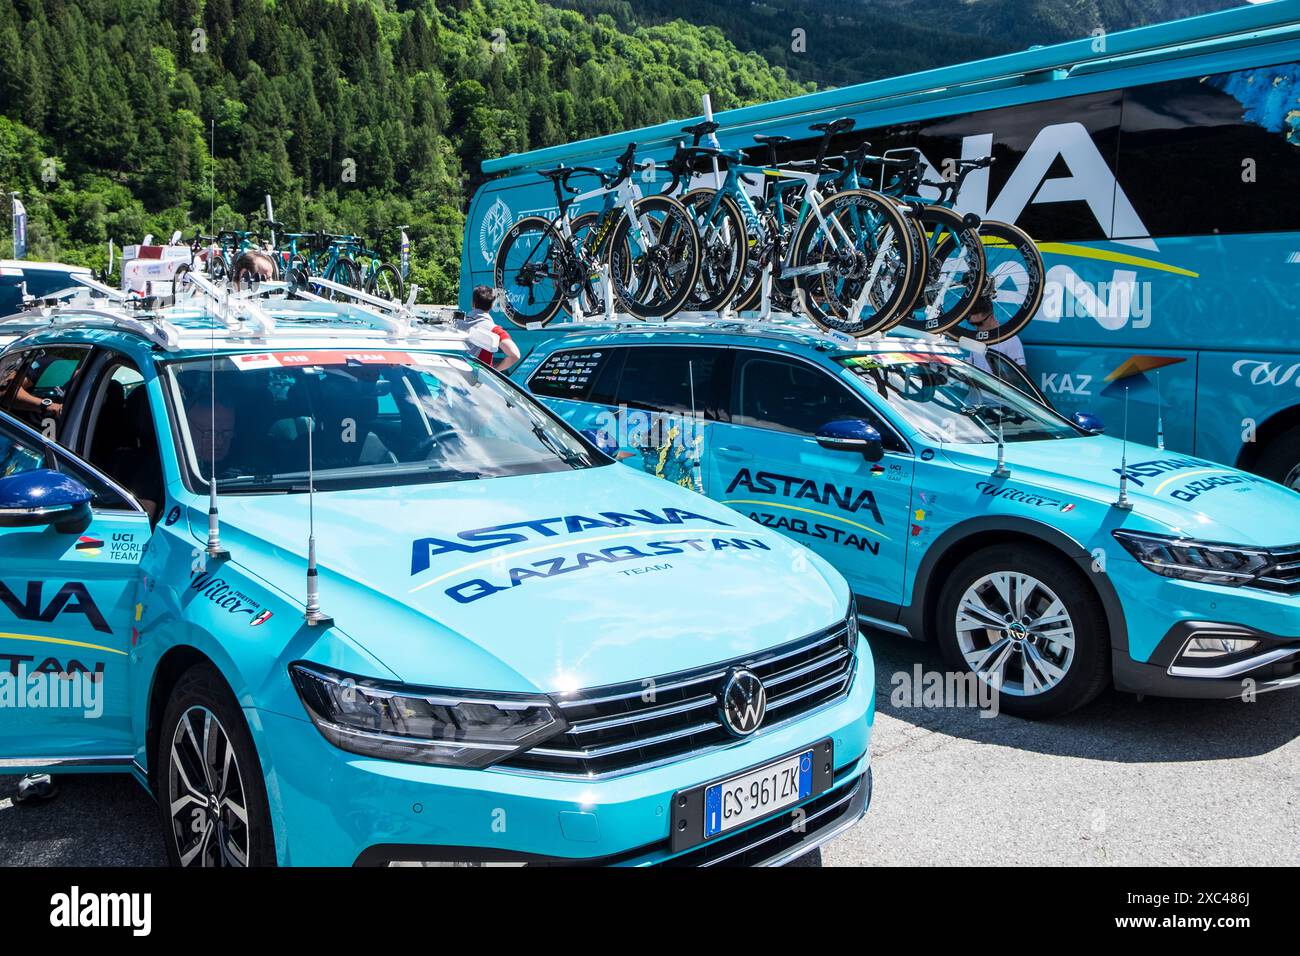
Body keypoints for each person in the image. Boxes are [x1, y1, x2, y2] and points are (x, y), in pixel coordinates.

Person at [455, 285, 521, 372]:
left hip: (453, 379)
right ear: (492, 306)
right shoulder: (495, 330)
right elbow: (515, 355)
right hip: (478, 382)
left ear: (473, 303)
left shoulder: (456, 324)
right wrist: (493, 370)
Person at [966, 290, 1026, 373]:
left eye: (979, 323)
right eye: (972, 324)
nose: (976, 327)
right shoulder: (977, 337)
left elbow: (1020, 377)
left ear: (991, 316)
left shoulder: (1010, 339)